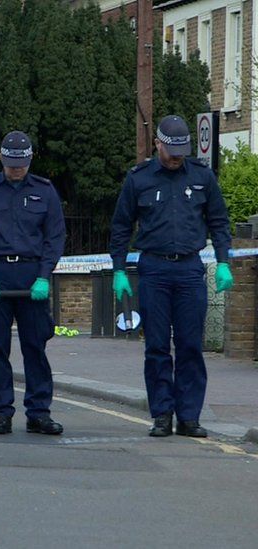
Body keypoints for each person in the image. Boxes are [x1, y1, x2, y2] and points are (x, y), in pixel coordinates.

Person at [110, 115, 233, 439]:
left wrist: (223, 261)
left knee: (191, 346)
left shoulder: (203, 177)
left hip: (191, 269)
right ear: (158, 144)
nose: (176, 156)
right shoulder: (139, 179)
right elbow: (121, 226)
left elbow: (219, 222)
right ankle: (162, 414)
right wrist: (119, 269)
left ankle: (189, 416)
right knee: (157, 347)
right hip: (155, 269)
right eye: (171, 150)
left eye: (182, 150)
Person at [0, 130, 66, 436]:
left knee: (36, 348)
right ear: (1, 159)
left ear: (30, 159)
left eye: (21, 163)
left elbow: (55, 237)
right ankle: (1, 412)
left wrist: (44, 276)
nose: (16, 169)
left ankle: (39, 413)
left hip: (32, 274)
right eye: (10, 163)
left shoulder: (45, 191)